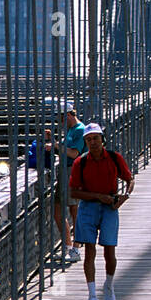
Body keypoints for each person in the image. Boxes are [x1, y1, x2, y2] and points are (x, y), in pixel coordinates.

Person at [70, 123, 134, 300]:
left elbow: (129, 179)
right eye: (89, 140)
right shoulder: (80, 163)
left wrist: (124, 197)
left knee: (109, 249)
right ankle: (91, 296)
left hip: (109, 207)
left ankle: (109, 287)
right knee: (89, 250)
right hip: (89, 207)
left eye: (96, 138)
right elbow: (74, 192)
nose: (93, 142)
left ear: (102, 139)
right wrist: (98, 196)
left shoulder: (114, 158)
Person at [58, 105, 86, 264]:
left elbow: (74, 153)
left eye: (62, 118)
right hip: (64, 170)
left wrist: (56, 146)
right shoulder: (70, 129)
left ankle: (76, 248)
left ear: (68, 115)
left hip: (72, 171)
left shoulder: (79, 129)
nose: (61, 121)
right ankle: (69, 246)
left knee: (75, 210)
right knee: (60, 210)